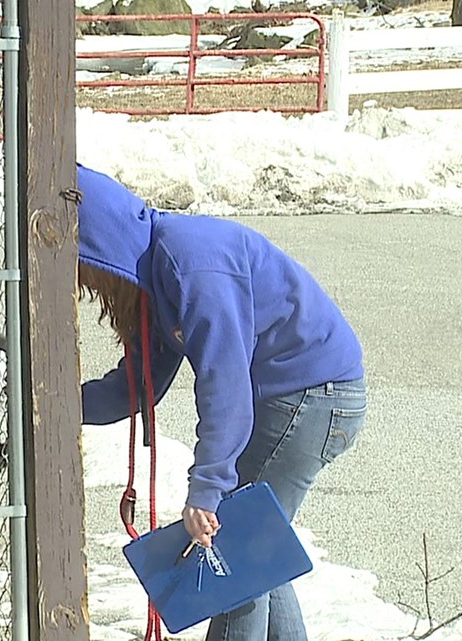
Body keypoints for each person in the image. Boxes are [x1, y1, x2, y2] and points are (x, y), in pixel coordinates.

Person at [77, 162, 367, 641]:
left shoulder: (189, 262)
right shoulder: (154, 279)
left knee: (231, 561)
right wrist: (58, 403)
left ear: (104, 252)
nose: (93, 290)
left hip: (311, 395)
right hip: (302, 396)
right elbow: (133, 386)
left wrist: (207, 491)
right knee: (257, 555)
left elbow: (225, 387)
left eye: (90, 275)